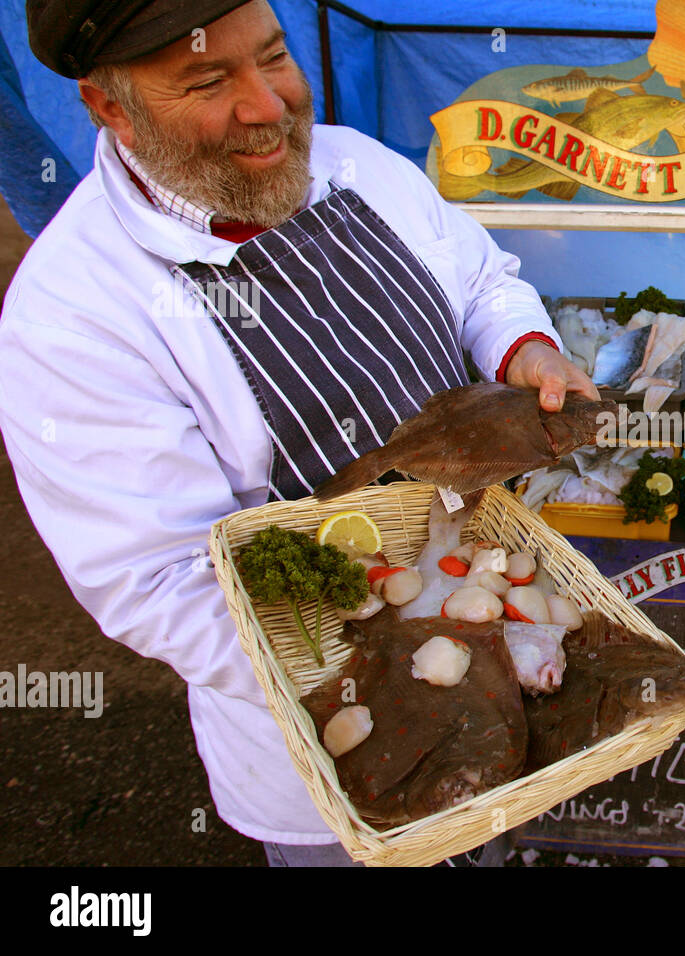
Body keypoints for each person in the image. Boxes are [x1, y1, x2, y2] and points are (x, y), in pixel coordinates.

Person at [1, 0, 597, 865]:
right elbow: (159, 583)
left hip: (484, 613)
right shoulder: (73, 314)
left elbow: (479, 281)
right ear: (109, 108)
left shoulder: (360, 165)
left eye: (274, 57)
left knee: (489, 839)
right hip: (337, 733)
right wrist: (404, 672)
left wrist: (526, 348)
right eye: (210, 81)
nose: (267, 105)